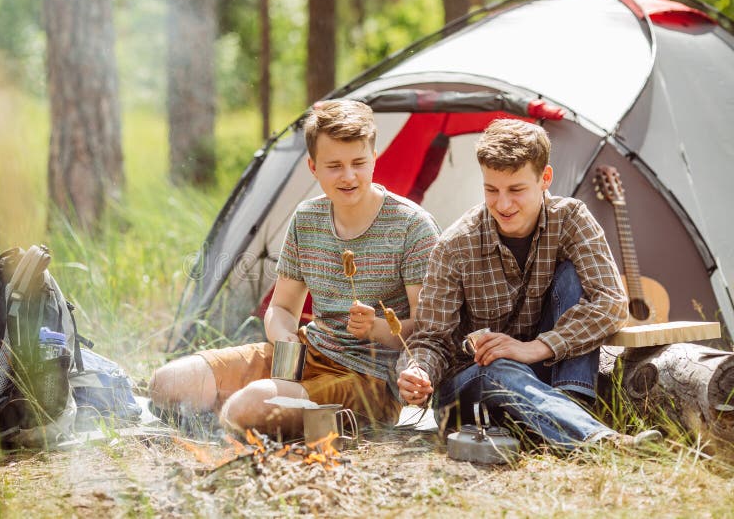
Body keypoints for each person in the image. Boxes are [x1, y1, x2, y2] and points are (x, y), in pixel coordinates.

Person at [150, 99, 440, 437]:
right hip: (308, 353)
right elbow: (283, 307)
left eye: (358, 163)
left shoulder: (412, 225)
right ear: (313, 167)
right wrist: (285, 338)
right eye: (334, 166)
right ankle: (238, 413)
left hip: (369, 380)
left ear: (374, 159)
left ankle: (234, 414)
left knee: (252, 405)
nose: (349, 176)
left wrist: (376, 328)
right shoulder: (307, 219)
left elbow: (426, 329)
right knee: (166, 382)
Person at [396, 118, 661, 450]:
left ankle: (569, 409)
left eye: (516, 189)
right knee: (499, 365)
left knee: (573, 274)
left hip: (546, 372)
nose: (503, 205)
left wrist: (533, 349)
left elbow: (611, 302)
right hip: (474, 385)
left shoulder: (571, 219)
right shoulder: (454, 246)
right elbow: (430, 340)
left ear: (545, 179)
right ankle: (601, 441)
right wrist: (419, 372)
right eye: (491, 190)